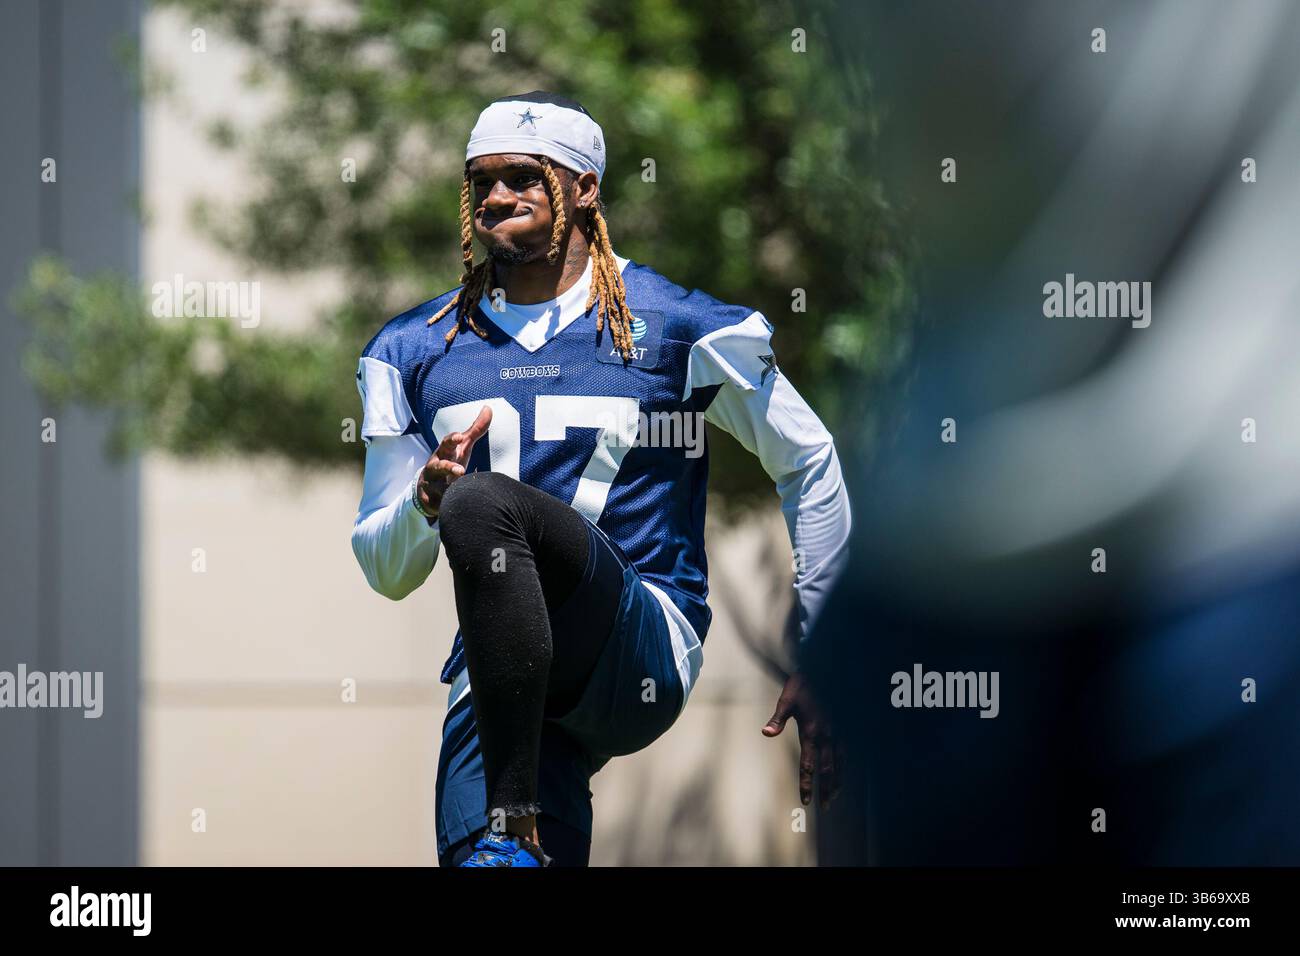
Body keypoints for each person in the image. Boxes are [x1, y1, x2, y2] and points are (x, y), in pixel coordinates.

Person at [351, 91, 851, 866]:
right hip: (504, 680)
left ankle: (511, 821)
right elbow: (386, 571)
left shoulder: (675, 323)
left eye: (523, 175)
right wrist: (423, 503)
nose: (496, 196)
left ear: (584, 187)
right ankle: (513, 836)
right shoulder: (417, 346)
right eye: (480, 181)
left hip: (635, 642)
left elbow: (808, 457)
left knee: (483, 502)